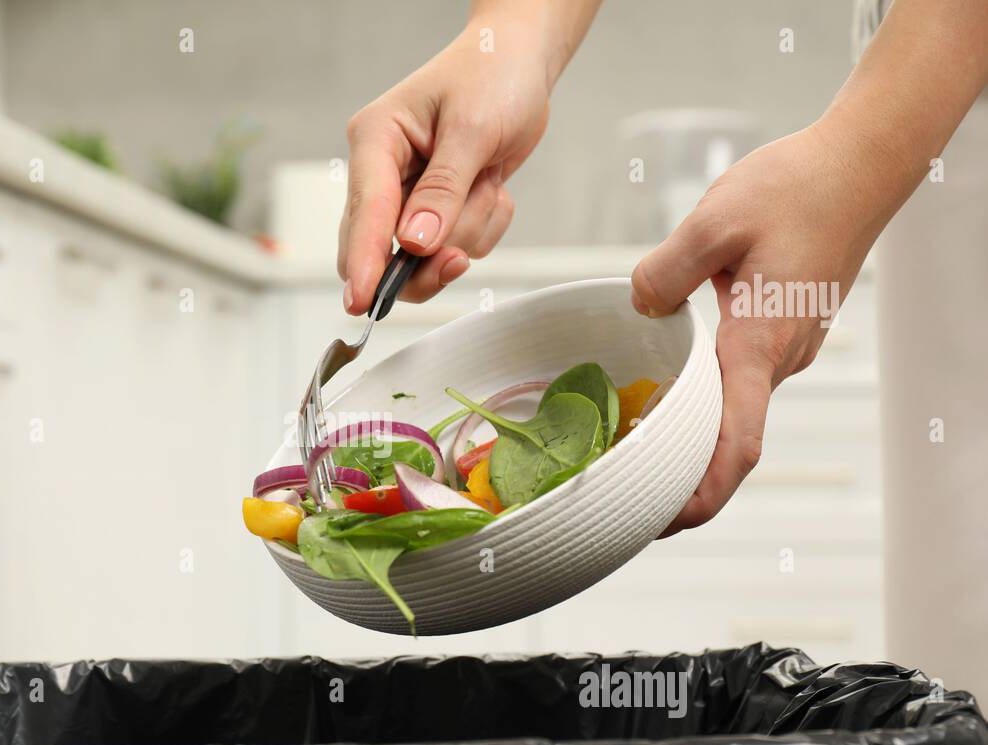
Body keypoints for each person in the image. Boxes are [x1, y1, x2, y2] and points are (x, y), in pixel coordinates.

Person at [337, 0, 988, 694]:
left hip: (938, 92)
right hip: (927, 83)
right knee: (959, 673)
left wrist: (855, 154)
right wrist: (514, 37)